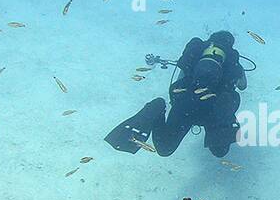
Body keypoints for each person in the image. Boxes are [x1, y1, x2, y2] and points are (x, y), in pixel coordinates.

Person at [104, 30, 249, 158]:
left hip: (186, 106)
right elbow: (243, 86)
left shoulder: (196, 53)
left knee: (165, 149)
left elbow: (180, 80)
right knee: (220, 151)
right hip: (213, 110)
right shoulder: (231, 59)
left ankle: (157, 107)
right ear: (230, 45)